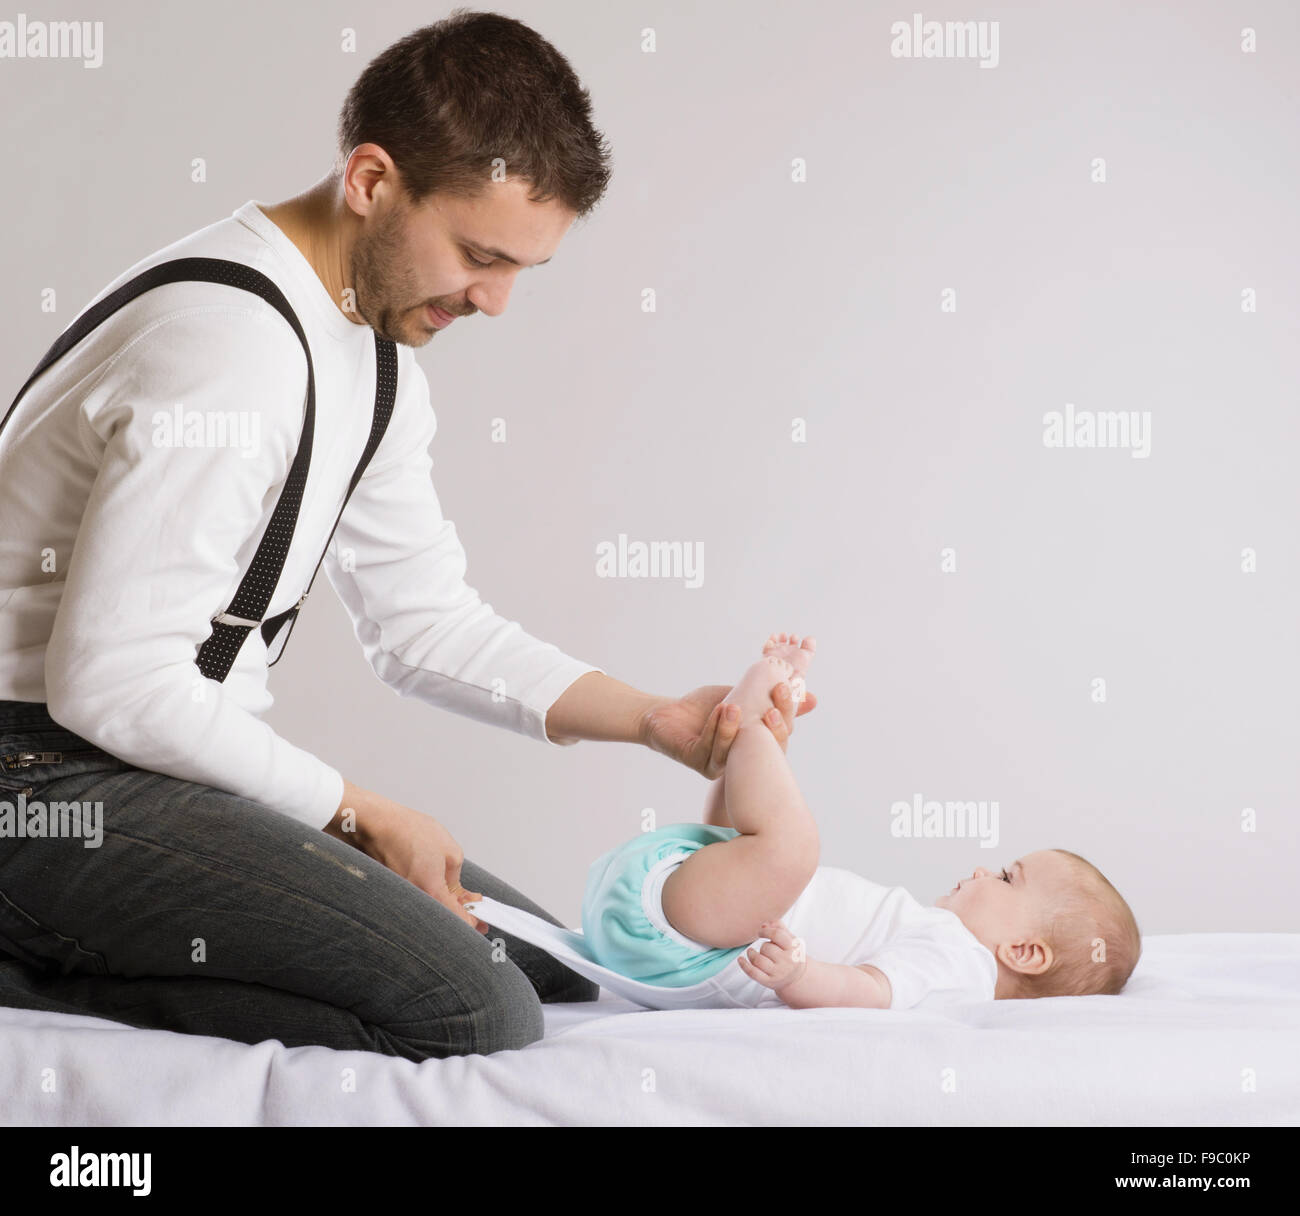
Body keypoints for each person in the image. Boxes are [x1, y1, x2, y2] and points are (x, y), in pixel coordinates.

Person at [0, 12, 814, 1062]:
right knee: (475, 1005)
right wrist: (355, 813)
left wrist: (658, 720)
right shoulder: (230, 348)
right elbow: (111, 685)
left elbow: (425, 625)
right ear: (373, 181)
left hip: (149, 773)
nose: (497, 300)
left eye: (524, 268)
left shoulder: (373, 354)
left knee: (550, 961)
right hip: (39, 784)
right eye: (480, 255)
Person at [563, 632, 1141, 1009]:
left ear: (1024, 952)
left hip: (688, 935)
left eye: (1009, 878)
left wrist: (799, 978)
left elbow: (871, 991)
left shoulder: (961, 964)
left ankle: (748, 728)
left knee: (790, 851)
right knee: (760, 849)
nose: (984, 869)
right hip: (686, 911)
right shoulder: (937, 940)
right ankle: (747, 739)